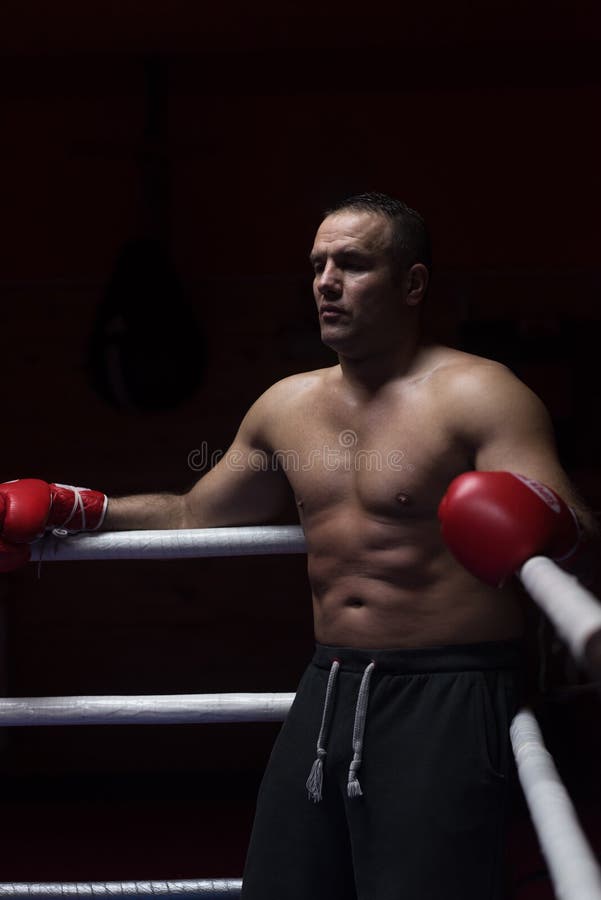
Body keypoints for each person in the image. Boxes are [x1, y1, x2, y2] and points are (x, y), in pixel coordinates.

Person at [0, 192, 597, 899]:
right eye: (317, 265)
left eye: (352, 264)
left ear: (411, 283)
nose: (326, 282)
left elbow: (575, 532)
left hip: (451, 685)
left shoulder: (479, 394)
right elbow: (195, 512)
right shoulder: (286, 406)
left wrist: (544, 520)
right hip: (329, 681)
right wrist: (80, 510)